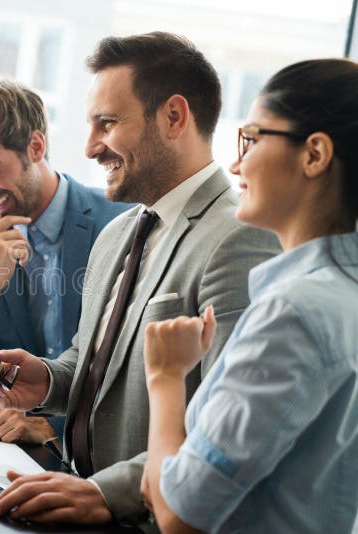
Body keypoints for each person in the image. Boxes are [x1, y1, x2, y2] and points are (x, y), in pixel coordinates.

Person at [0, 32, 280, 527]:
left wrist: (102, 493)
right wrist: (47, 379)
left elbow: (230, 428)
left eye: (107, 125)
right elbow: (94, 359)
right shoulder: (117, 234)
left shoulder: (243, 235)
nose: (90, 148)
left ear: (174, 117)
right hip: (74, 496)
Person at [141, 59, 358, 534]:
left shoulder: (295, 311)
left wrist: (165, 377)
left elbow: (179, 515)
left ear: (315, 154)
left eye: (253, 139)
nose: (237, 162)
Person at [0, 78, 130, 445]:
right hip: (11, 462)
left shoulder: (122, 222)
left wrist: (53, 427)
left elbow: (134, 374)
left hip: (101, 461)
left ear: (36, 146)